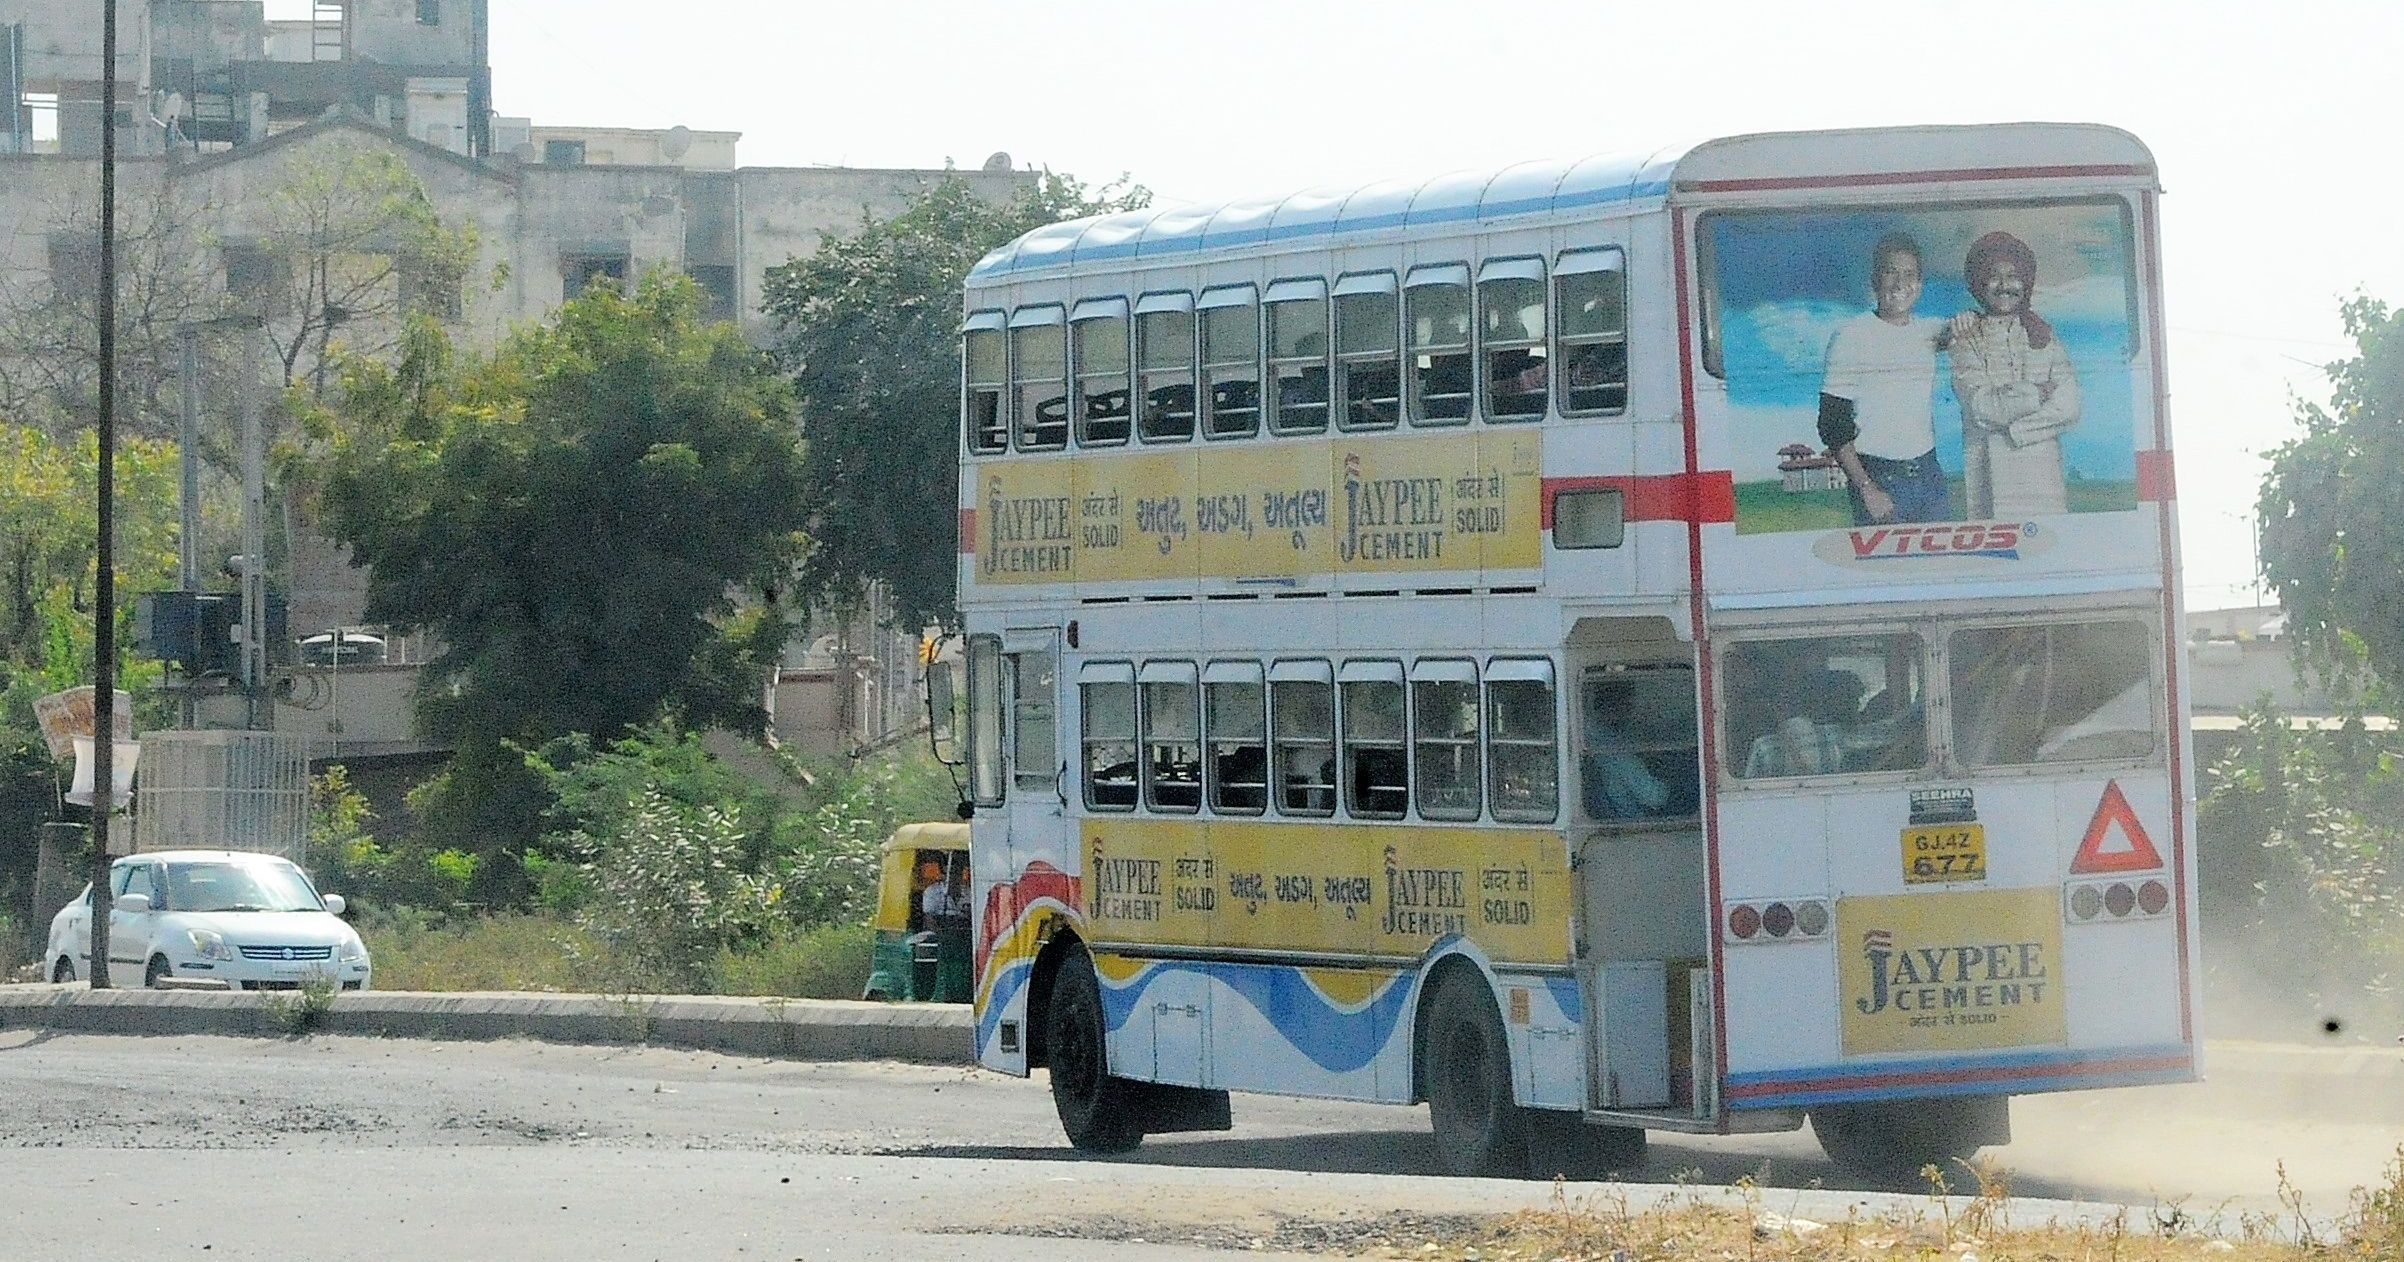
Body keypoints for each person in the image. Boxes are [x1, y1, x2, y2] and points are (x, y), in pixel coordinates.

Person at [1817, 234, 1953, 525]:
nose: (1900, 284)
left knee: (1939, 567)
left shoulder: (1929, 331)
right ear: (1875, 279)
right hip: (1879, 478)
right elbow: (1832, 425)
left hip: (1929, 476)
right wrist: (1866, 488)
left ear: (1919, 285)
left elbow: (1978, 326)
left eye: (1909, 275)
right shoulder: (1850, 336)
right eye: (1891, 272)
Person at [1949, 230, 2081, 519]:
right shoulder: (1967, 337)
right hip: (1992, 483)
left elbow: (2069, 407)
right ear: (1980, 282)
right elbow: (1982, 407)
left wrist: (2013, 430)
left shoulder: (2044, 335)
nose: (2005, 286)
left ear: (2026, 282)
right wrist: (2037, 393)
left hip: (2043, 483)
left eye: (2014, 276)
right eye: (1995, 276)